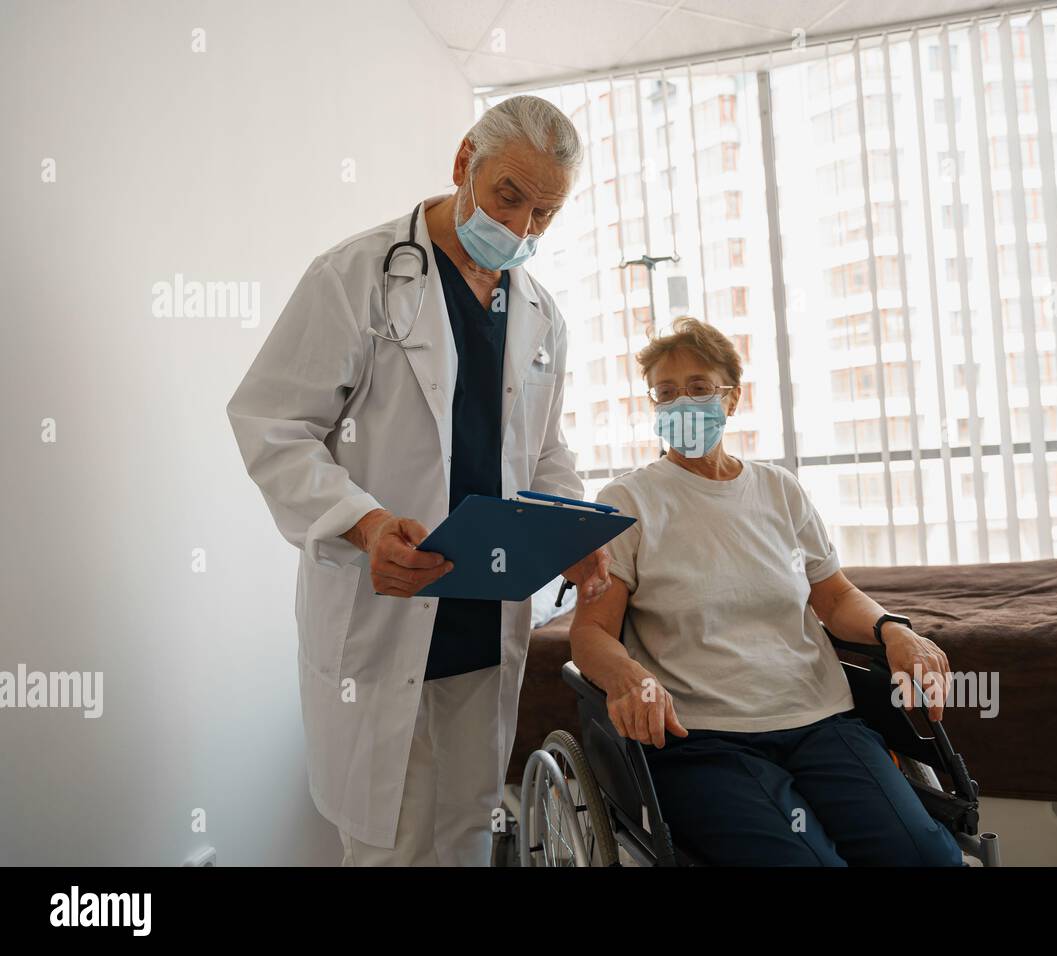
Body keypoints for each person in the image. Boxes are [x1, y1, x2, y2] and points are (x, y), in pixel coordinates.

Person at [227, 95, 610, 866]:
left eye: (546, 213)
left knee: (468, 829)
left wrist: (571, 524)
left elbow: (541, 450)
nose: (522, 227)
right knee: (389, 844)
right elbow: (273, 425)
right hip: (385, 606)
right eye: (509, 196)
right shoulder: (357, 277)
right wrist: (364, 523)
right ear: (465, 161)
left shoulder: (540, 314)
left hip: (483, 614)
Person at [569, 315, 964, 866]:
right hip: (703, 739)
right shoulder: (628, 501)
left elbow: (836, 599)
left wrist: (893, 630)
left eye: (699, 387)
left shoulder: (780, 490)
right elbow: (589, 634)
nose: (682, 402)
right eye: (666, 392)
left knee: (927, 858)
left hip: (821, 721)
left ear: (731, 399)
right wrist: (629, 677)